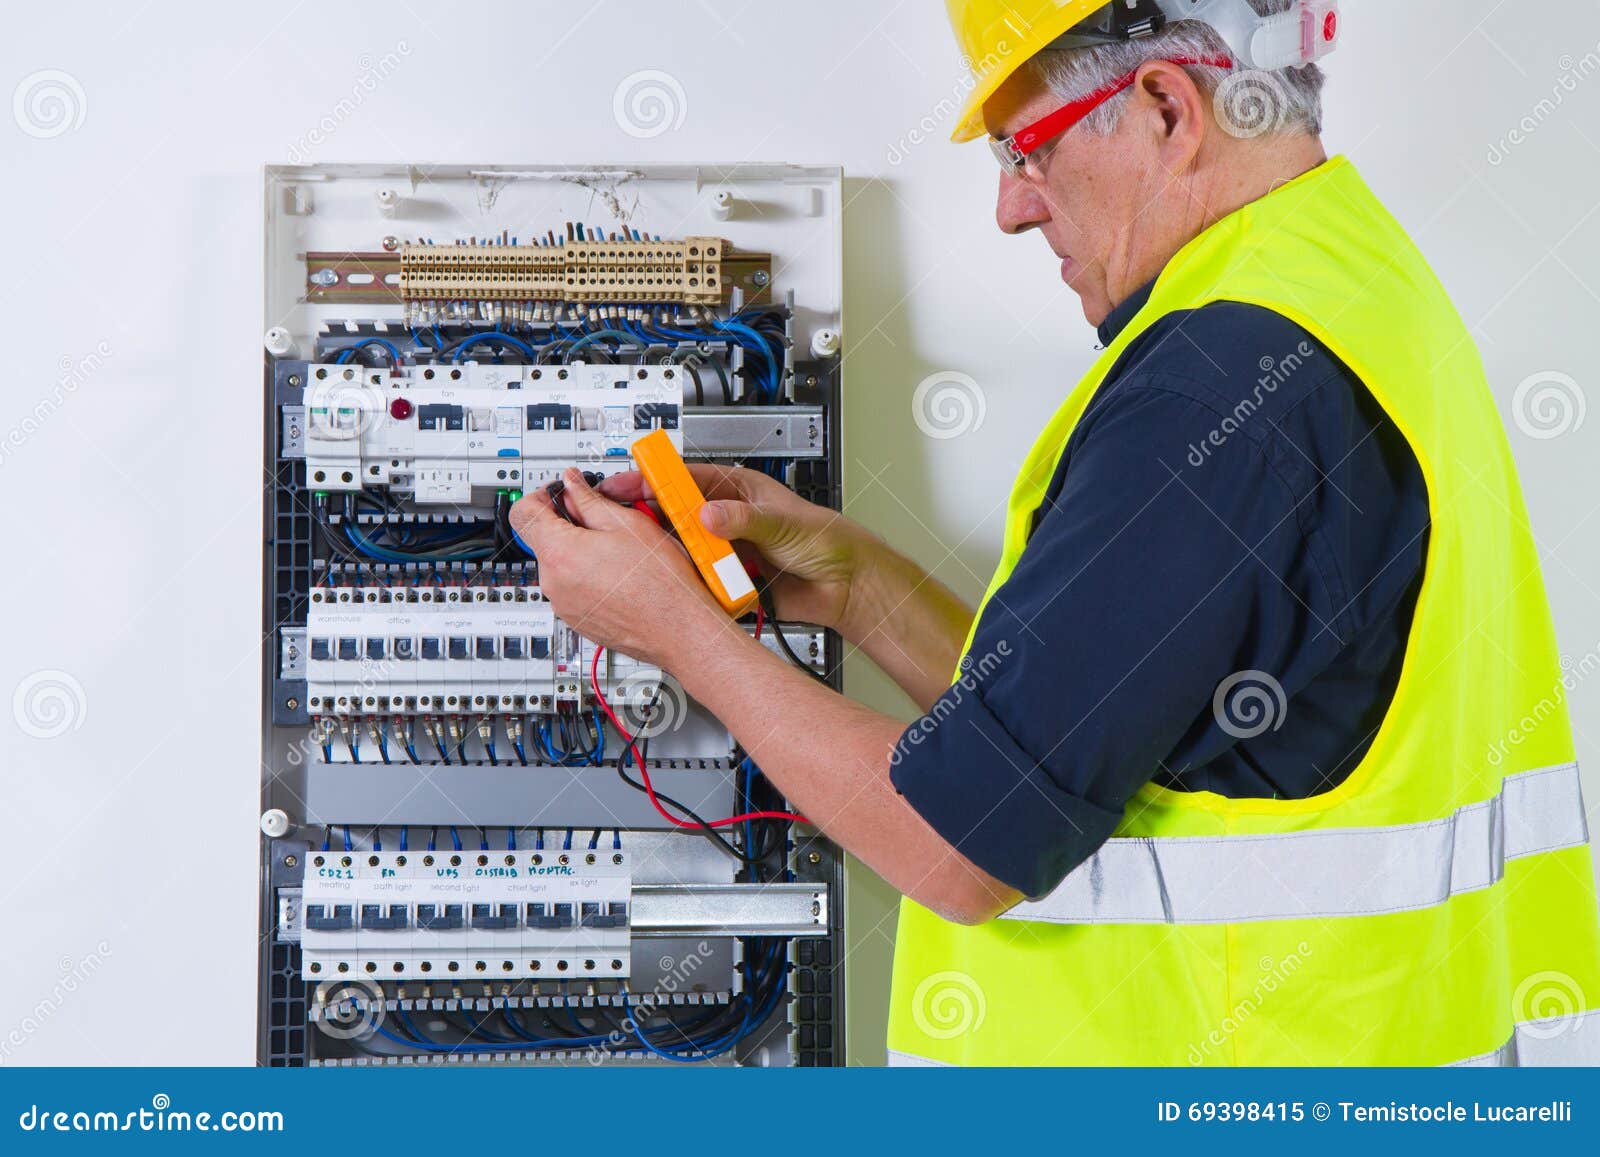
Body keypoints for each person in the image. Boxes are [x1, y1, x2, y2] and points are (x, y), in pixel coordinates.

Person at [513, 0, 1600, 1066]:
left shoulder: (1214, 395)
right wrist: (857, 587)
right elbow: (1083, 734)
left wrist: (677, 631)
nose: (1011, 208)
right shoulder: (1346, 281)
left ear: (1168, 108)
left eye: (1021, 150)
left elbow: (960, 842)